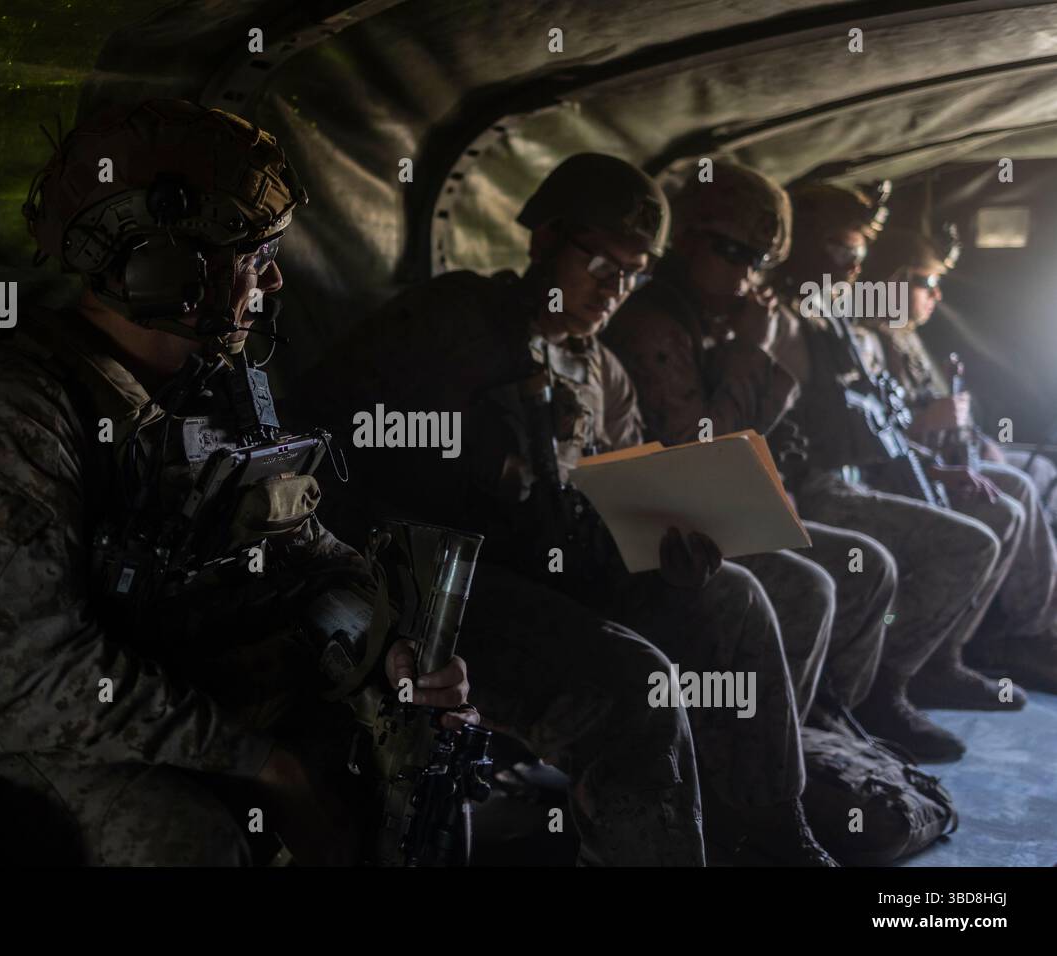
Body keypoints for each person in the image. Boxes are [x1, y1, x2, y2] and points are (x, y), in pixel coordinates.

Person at [0, 100, 479, 866]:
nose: (273, 278)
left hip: (168, 692)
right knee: (186, 843)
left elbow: (302, 552)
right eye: (256, 253)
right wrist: (266, 765)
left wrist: (381, 647)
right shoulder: (12, 412)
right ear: (172, 269)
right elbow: (17, 686)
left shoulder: (212, 382)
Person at [301, 154, 833, 865]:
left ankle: (771, 826)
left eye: (634, 274)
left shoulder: (600, 369)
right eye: (602, 264)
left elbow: (633, 492)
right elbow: (319, 435)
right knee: (634, 680)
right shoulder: (451, 322)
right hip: (451, 594)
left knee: (736, 596)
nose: (616, 290)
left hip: (561, 575)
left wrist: (671, 545)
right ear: (544, 240)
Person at [601, 164, 899, 739]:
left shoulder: (724, 318)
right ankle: (758, 761)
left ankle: (813, 722)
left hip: (716, 511)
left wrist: (759, 349)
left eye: (759, 261)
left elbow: (763, 435)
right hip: (667, 529)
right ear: (686, 241)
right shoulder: (654, 324)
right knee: (812, 588)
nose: (746, 274)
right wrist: (749, 356)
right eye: (733, 252)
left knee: (868, 568)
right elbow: (700, 454)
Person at [764, 183, 1019, 761]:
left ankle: (912, 675)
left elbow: (875, 420)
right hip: (810, 488)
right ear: (797, 246)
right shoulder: (773, 321)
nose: (853, 268)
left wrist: (935, 465)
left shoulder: (834, 321)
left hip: (854, 477)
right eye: (840, 251)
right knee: (964, 544)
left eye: (858, 256)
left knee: (983, 518)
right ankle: (878, 694)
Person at [857, 225, 1057, 693]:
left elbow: (946, 411)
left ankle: (1029, 620)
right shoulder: (868, 341)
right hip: (901, 473)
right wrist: (927, 422)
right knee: (1018, 487)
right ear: (894, 281)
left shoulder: (906, 339)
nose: (935, 294)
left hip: (945, 454)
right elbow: (873, 438)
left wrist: (978, 436)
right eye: (926, 282)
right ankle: (1017, 632)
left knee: (1043, 468)